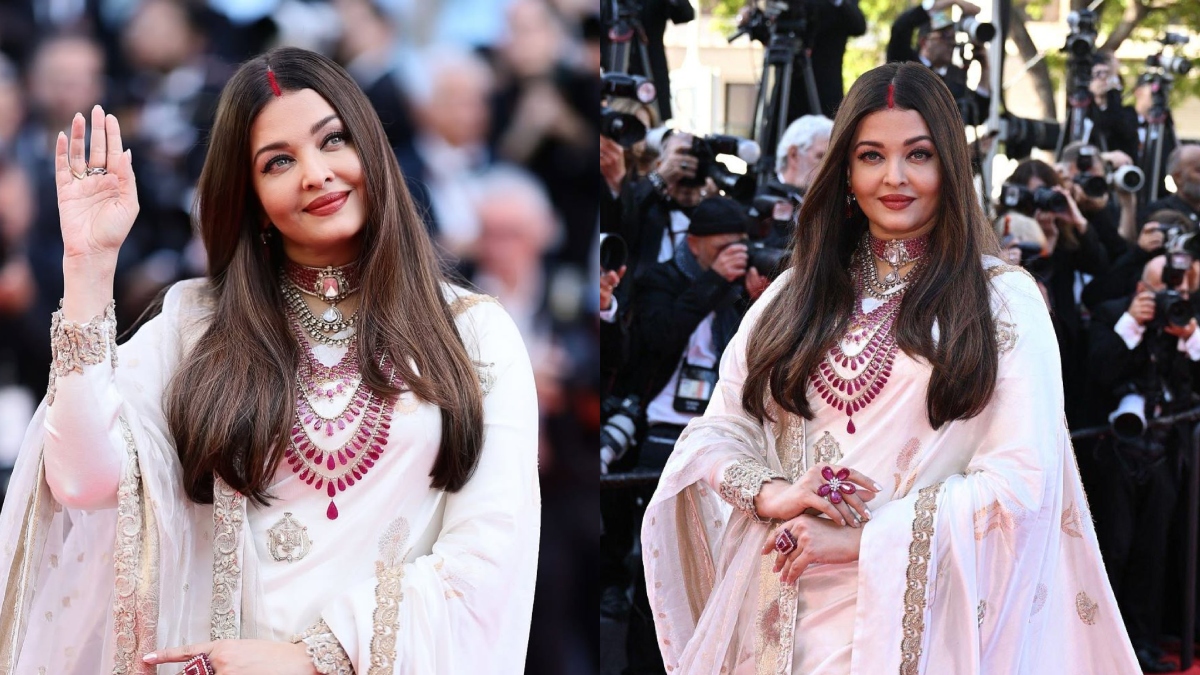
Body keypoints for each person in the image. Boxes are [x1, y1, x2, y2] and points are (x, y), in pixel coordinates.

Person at [0, 47, 540, 674]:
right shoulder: (198, 327)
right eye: (278, 161)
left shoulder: (472, 333)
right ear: (251, 196)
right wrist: (88, 269)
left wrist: (310, 661)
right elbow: (82, 482)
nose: (315, 173)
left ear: (372, 147)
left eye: (333, 140)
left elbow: (490, 550)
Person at [642, 61, 1137, 674]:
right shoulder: (794, 293)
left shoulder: (1002, 301)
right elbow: (717, 429)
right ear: (845, 169)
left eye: (919, 155)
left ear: (951, 166)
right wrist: (774, 494)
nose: (894, 178)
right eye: (872, 156)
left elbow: (1021, 483)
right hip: (775, 609)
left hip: (922, 621)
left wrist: (864, 542)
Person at [886, 0, 990, 125]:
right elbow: (901, 28)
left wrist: (985, 68)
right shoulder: (904, 64)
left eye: (953, 38)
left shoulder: (952, 79)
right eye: (945, 36)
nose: (952, 43)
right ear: (924, 42)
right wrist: (952, 2)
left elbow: (976, 115)